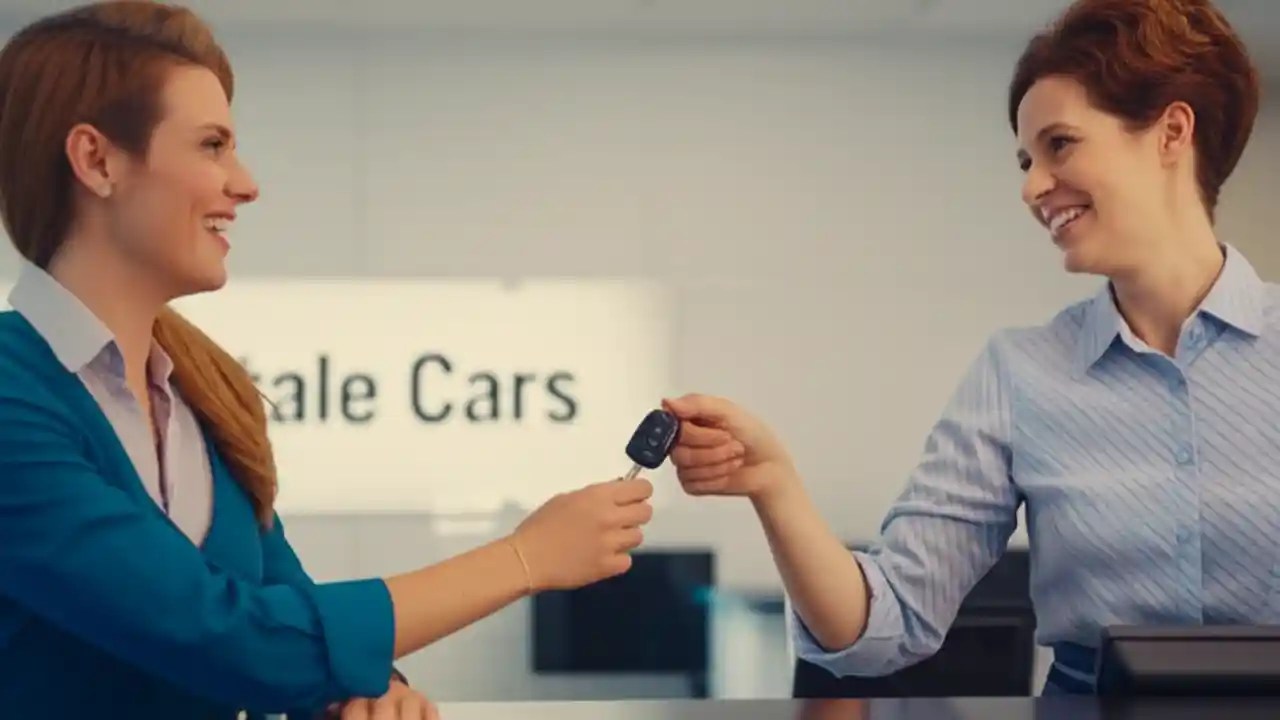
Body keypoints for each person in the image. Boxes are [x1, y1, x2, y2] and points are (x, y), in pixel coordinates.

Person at [0, 2, 656, 718]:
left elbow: (285, 610)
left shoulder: (204, 394)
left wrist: (370, 691)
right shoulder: (11, 395)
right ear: (97, 161)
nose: (245, 184)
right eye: (212, 145)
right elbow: (233, 639)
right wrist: (525, 558)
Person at [663, 0, 1272, 696]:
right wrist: (773, 483)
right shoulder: (1020, 373)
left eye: (1060, 144)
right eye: (1026, 159)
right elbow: (882, 627)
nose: (1032, 186)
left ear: (1171, 131)